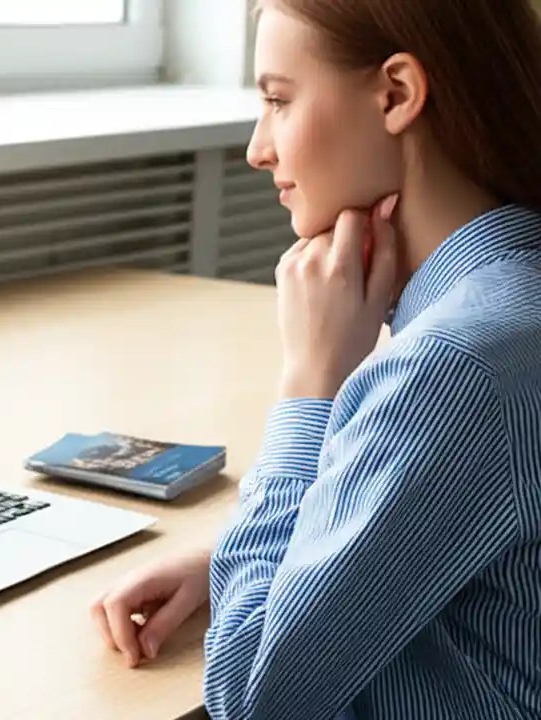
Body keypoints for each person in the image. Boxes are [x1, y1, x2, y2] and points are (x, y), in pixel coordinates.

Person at [89, 2, 541, 718]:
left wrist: (309, 383)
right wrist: (252, 559)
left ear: (396, 94)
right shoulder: (513, 300)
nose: (258, 148)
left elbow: (251, 697)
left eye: (278, 100)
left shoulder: (455, 365)